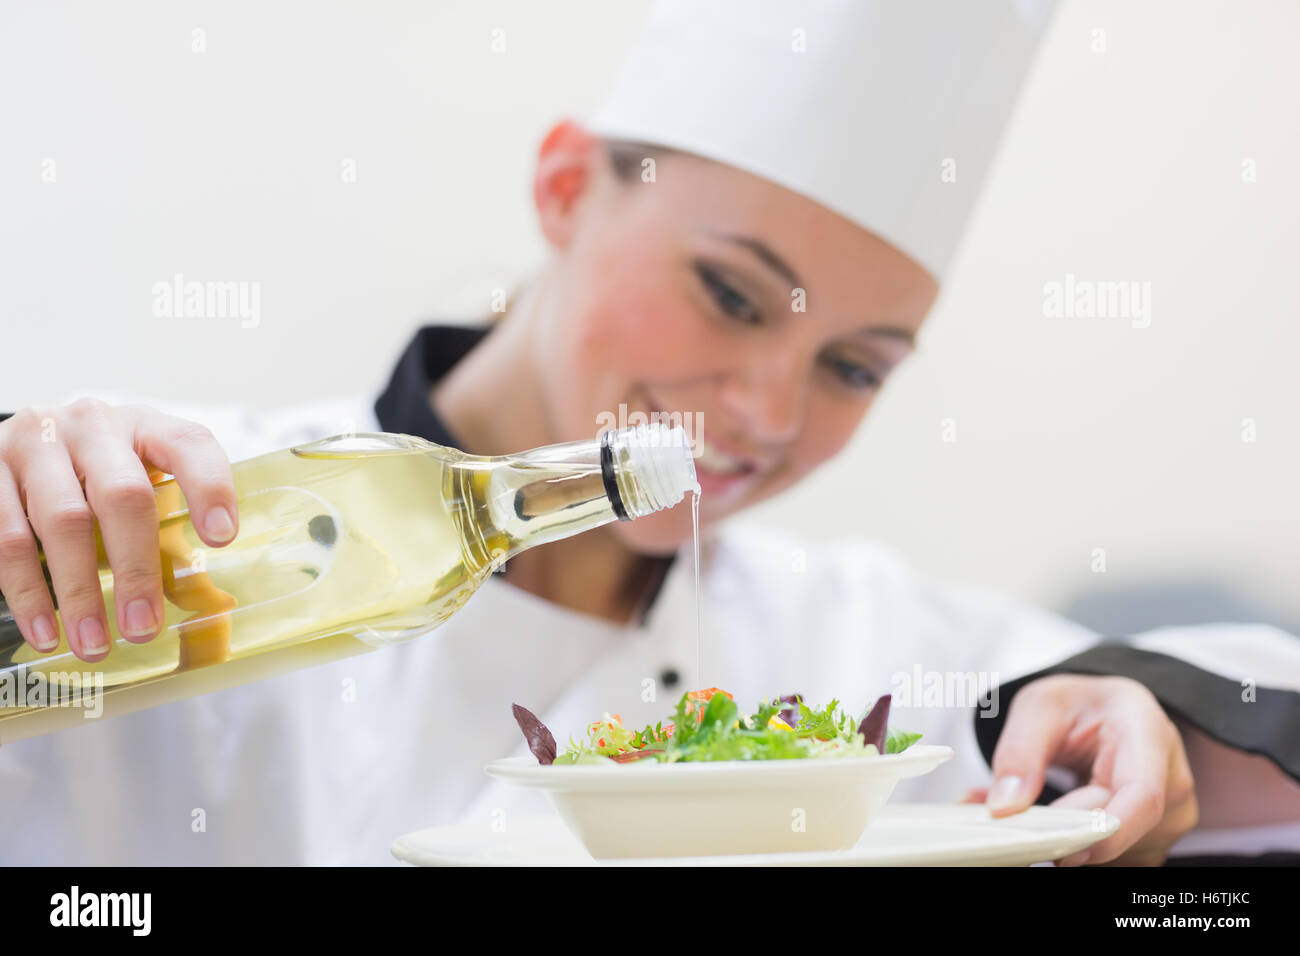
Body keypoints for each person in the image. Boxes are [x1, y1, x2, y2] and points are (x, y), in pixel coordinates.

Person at [1, 0, 1297, 865]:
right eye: (729, 294)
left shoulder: (854, 655)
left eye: (854, 366)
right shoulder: (181, 540)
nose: (767, 414)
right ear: (566, 186)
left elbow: (1247, 721)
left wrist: (1139, 718)